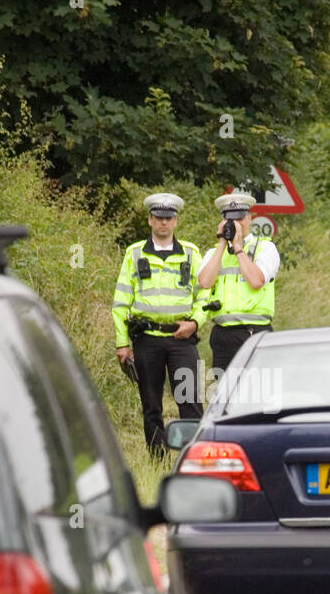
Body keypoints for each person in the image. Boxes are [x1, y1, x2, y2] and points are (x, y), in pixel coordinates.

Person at [112, 192, 206, 452]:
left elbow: (205, 294)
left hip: (182, 339)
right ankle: (157, 458)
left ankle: (194, 458)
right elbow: (120, 303)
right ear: (150, 220)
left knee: (190, 401)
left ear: (175, 221)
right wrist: (122, 343)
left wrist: (195, 323)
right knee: (151, 404)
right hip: (147, 340)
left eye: (169, 218)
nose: (164, 223)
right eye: (158, 217)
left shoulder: (191, 253)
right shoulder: (134, 254)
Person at [196, 193, 281, 374]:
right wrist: (221, 244)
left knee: (257, 392)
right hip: (223, 335)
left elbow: (256, 281)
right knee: (226, 394)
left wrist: (238, 248)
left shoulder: (265, 248)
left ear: (250, 218)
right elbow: (205, 282)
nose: (237, 225)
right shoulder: (214, 252)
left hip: (254, 333)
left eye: (241, 219)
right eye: (230, 220)